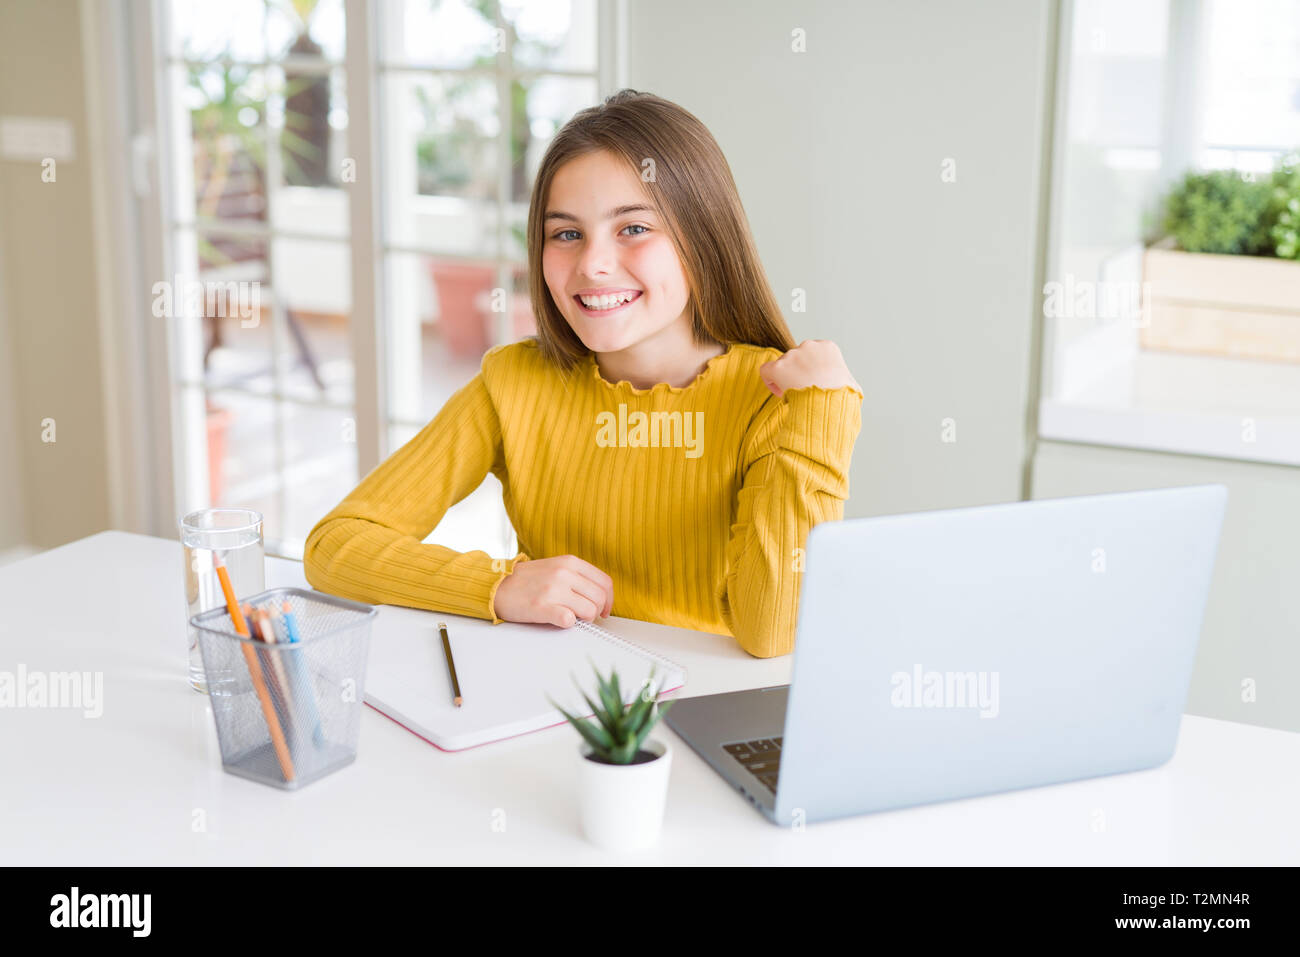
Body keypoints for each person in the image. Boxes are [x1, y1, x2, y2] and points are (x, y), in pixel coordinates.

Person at [304, 89, 863, 658]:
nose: (592, 264)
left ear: (704, 238)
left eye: (633, 228)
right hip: (551, 707)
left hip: (697, 717)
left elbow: (774, 631)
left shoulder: (779, 402)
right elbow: (336, 546)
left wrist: (824, 408)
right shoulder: (514, 382)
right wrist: (497, 585)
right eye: (566, 234)